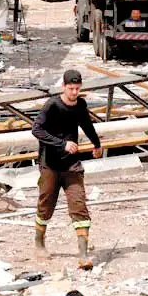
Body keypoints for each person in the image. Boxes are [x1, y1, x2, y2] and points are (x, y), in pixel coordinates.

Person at [31, 69, 102, 269]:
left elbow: (87, 125)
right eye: (71, 89)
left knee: (79, 204)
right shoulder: (52, 105)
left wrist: (96, 145)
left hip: (72, 164)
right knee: (46, 204)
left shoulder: (80, 105)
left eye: (77, 89)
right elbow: (36, 129)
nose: (74, 93)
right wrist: (62, 144)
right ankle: (39, 242)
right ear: (63, 87)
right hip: (50, 164)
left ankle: (83, 255)